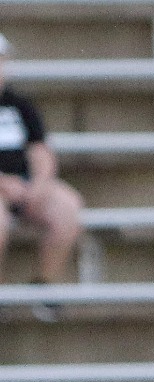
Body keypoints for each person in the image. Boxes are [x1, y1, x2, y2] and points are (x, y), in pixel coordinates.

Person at [0, 34, 84, 301]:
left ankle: (44, 285)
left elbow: (40, 149)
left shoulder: (19, 105)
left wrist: (39, 184)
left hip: (23, 184)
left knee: (68, 206)